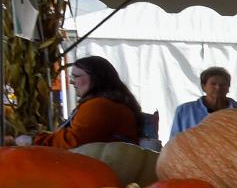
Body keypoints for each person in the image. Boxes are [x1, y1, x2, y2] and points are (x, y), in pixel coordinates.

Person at [9, 56, 140, 148]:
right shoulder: (110, 103)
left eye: (76, 76)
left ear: (96, 78)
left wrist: (35, 141)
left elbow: (72, 142)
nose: (72, 82)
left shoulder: (99, 106)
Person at [169, 66, 237, 140]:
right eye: (213, 84)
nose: (218, 87)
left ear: (228, 87)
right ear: (203, 87)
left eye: (223, 84)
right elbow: (173, 142)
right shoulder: (184, 111)